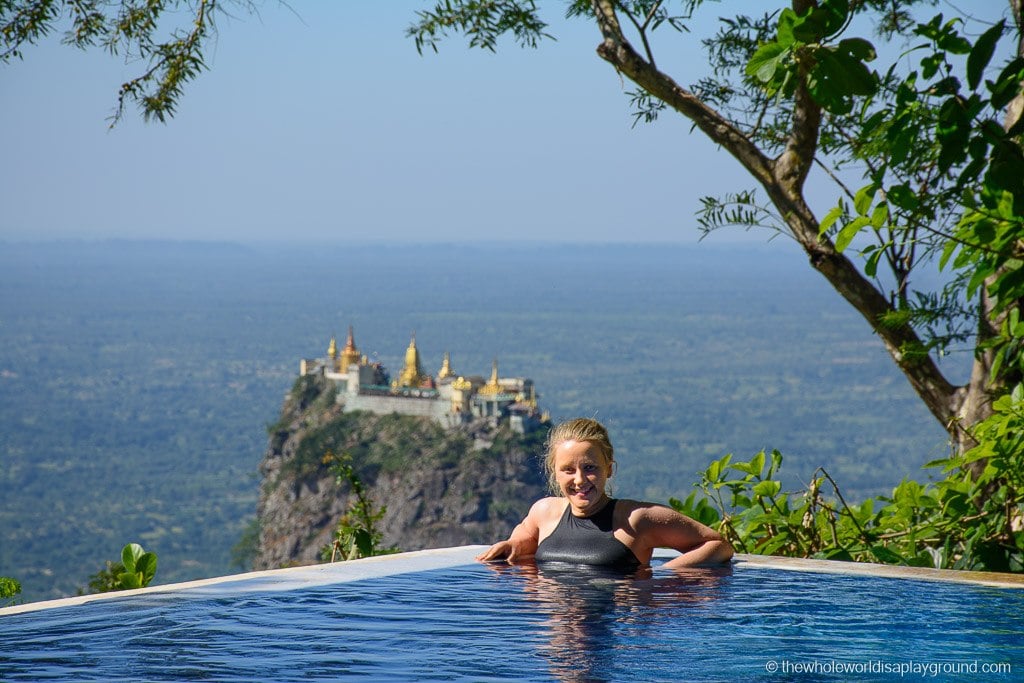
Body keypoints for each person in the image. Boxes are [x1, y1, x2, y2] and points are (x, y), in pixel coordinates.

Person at [477, 417, 734, 570]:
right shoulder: (544, 512)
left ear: (608, 469)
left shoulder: (636, 519)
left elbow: (718, 546)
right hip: (559, 639)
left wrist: (667, 574)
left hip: (616, 640)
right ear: (553, 472)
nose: (579, 480)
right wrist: (512, 545)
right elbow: (524, 537)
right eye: (568, 470)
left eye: (590, 468)